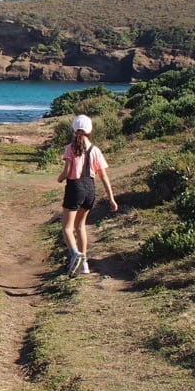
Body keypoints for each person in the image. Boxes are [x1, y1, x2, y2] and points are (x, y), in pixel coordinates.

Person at [57, 114, 117, 276]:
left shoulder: (70, 148)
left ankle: (75, 254)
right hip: (90, 189)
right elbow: (103, 176)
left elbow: (67, 172)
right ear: (90, 131)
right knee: (80, 226)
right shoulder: (95, 150)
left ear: (74, 129)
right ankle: (84, 265)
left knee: (67, 228)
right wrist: (111, 198)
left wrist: (60, 178)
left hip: (75, 188)